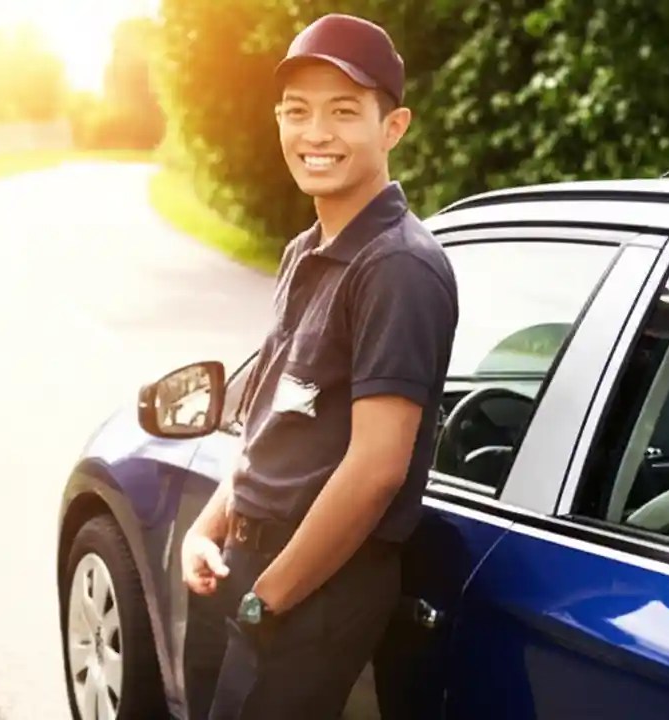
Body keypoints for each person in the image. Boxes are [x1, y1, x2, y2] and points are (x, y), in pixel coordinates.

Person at [179, 13, 460, 719]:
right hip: (251, 569)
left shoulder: (396, 267)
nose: (316, 134)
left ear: (392, 128)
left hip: (316, 588)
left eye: (343, 112)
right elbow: (273, 420)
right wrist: (209, 527)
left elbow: (376, 470)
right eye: (296, 112)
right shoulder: (305, 249)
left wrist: (268, 597)